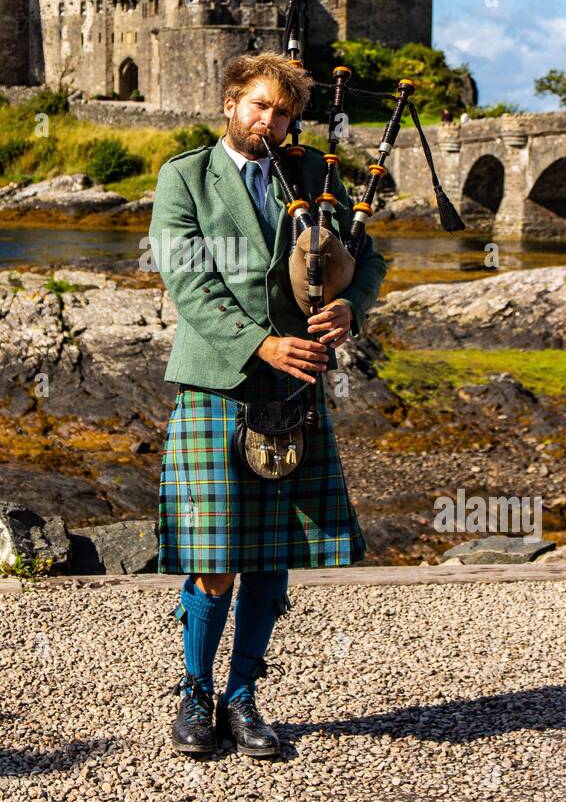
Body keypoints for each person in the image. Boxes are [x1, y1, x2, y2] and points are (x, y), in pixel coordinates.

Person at [148, 52, 388, 758]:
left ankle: (244, 696)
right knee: (214, 554)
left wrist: (351, 305)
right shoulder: (183, 177)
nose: (270, 122)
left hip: (295, 387)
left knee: (272, 556)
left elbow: (366, 258)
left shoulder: (313, 174)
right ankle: (195, 693)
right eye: (259, 106)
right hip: (219, 381)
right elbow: (189, 283)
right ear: (230, 102)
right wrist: (260, 344)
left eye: (282, 112)